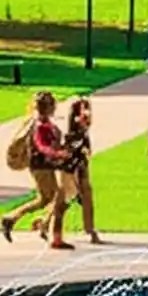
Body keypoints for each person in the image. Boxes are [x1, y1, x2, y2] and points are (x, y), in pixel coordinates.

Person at [2, 92, 73, 249]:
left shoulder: (43, 123)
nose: (55, 108)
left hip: (44, 165)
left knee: (49, 199)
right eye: (53, 105)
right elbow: (42, 146)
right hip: (41, 166)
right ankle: (26, 220)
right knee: (53, 198)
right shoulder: (40, 125)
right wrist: (58, 154)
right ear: (48, 107)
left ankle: (34, 221)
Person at [56, 98, 99, 245]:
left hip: (81, 169)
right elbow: (70, 157)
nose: (88, 118)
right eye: (84, 115)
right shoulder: (73, 136)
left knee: (86, 198)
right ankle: (47, 224)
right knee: (64, 202)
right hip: (71, 171)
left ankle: (90, 230)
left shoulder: (83, 134)